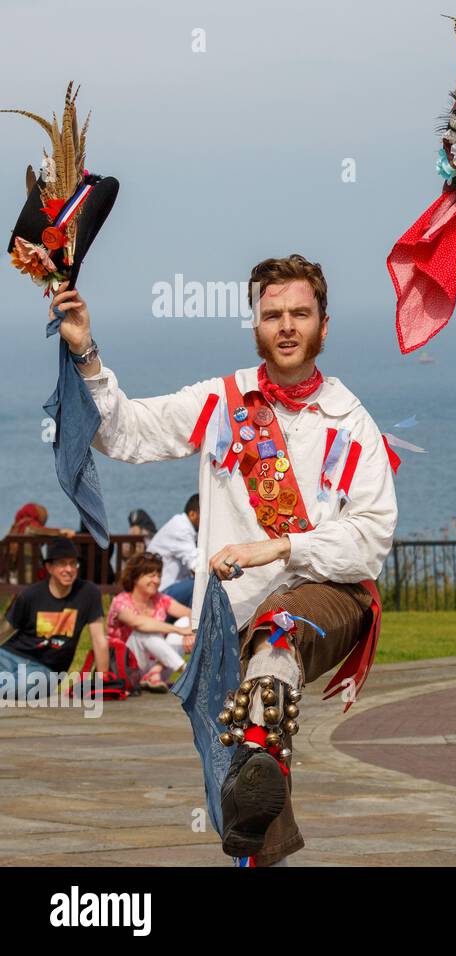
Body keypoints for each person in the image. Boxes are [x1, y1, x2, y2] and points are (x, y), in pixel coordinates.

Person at [49, 253, 396, 865]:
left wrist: (282, 546)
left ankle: (259, 759)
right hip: (226, 623)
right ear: (256, 325)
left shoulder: (353, 422)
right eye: (272, 314)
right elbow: (124, 431)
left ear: (324, 324)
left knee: (278, 633)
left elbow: (371, 537)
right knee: (245, 797)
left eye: (299, 313)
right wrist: (85, 353)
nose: (286, 325)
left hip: (328, 599)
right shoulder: (221, 401)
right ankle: (258, 818)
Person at [0, 538, 107, 700]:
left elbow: (99, 639)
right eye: (62, 564)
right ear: (49, 567)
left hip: (45, 669)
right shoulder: (30, 595)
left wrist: (103, 680)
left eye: (73, 564)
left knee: (23, 688)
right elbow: (5, 629)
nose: (69, 569)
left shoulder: (88, 593)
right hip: (10, 656)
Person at [106, 551, 194, 691]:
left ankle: (155, 674)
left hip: (156, 665)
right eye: (151, 575)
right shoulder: (120, 601)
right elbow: (139, 623)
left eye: (158, 576)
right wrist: (179, 631)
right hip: (126, 666)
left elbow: (191, 614)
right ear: (135, 577)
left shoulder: (160, 599)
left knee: (184, 621)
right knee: (143, 632)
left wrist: (190, 633)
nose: (157, 581)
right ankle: (188, 671)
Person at [150, 494, 201, 606]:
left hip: (166, 589)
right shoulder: (181, 529)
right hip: (162, 591)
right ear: (192, 514)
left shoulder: (181, 526)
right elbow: (197, 567)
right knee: (200, 585)